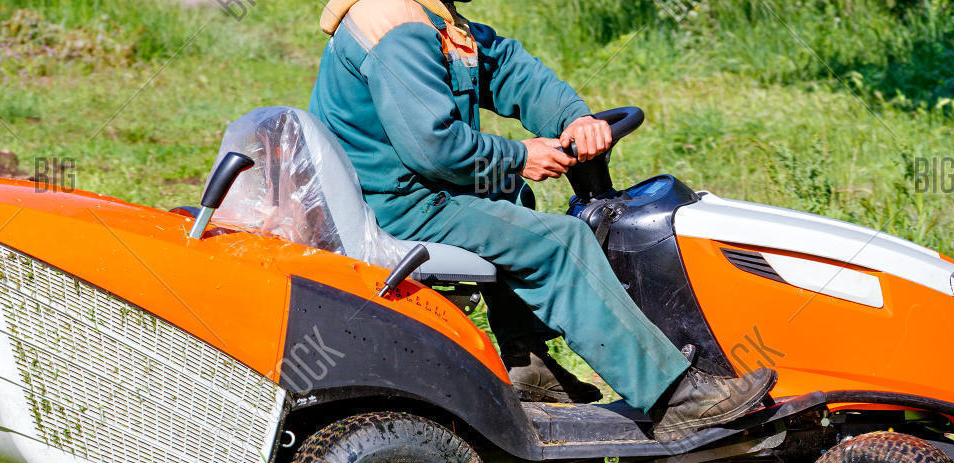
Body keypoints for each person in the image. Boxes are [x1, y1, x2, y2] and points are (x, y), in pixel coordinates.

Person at [311, 0, 775, 440]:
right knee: (561, 243)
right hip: (398, 207)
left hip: (399, 191)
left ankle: (529, 366)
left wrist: (574, 118)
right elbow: (435, 149)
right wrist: (519, 156)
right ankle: (674, 398)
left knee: (509, 193)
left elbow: (504, 68)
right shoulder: (396, 26)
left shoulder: (429, 14)